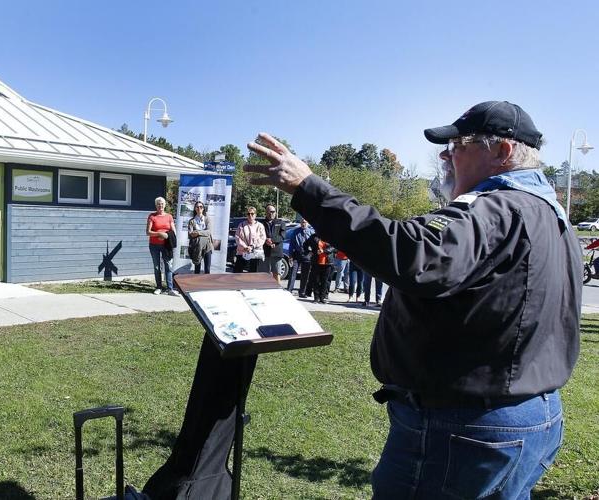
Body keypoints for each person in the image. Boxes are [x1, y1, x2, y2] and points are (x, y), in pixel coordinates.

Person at [245, 101, 580, 498]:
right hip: (527, 416)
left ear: (503, 152)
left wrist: (309, 188)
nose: (445, 154)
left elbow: (412, 254)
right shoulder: (550, 214)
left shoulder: (496, 209)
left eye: (459, 144)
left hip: (467, 428)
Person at [146, 196, 179, 296]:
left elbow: (174, 231)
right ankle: (159, 287)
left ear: (165, 205)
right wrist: (159, 234)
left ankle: (170, 289)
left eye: (162, 204)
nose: (160, 205)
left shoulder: (169, 216)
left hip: (166, 245)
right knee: (157, 267)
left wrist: (167, 236)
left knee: (168, 266)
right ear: (156, 205)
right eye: (158, 204)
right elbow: (148, 232)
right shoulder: (152, 216)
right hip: (154, 245)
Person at [233, 207, 266, 273]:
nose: (250, 215)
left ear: (255, 215)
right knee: (237, 274)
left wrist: (252, 246)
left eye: (252, 213)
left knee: (253, 275)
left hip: (255, 254)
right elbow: (237, 237)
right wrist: (245, 247)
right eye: (248, 214)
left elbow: (262, 238)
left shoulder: (260, 226)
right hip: (242, 253)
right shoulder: (241, 225)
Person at [286, 218, 314, 297]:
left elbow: (314, 244)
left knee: (305, 274)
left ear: (307, 223)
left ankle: (302, 292)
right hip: (297, 254)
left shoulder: (311, 232)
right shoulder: (296, 231)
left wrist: (312, 252)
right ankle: (289, 290)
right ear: (300, 223)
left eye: (305, 222)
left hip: (307, 255)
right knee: (293, 273)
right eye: (302, 222)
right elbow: (291, 244)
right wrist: (290, 255)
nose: (303, 224)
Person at [261, 204, 286, 284]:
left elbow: (282, 236)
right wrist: (265, 240)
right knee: (264, 274)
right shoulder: (261, 223)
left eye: (273, 212)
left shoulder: (281, 223)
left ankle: (278, 291)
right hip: (265, 252)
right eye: (269, 212)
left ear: (275, 213)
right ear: (266, 212)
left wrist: (271, 240)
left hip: (276, 252)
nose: (271, 213)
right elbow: (259, 236)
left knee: (276, 273)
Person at [187, 201, 214, 274]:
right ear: (195, 209)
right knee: (197, 269)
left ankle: (206, 285)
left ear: (203, 208)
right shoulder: (191, 221)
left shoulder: (207, 219)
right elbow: (190, 234)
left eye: (201, 207)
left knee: (207, 269)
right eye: (197, 207)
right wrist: (203, 233)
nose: (199, 208)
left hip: (207, 246)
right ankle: (196, 285)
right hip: (196, 246)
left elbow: (208, 232)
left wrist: (198, 232)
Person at [307, 235, 332, 303]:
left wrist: (324, 251)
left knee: (324, 281)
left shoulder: (330, 236)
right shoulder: (313, 237)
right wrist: (310, 251)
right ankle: (316, 298)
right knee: (316, 281)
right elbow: (306, 244)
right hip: (316, 262)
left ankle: (322, 298)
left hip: (327, 263)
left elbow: (333, 248)